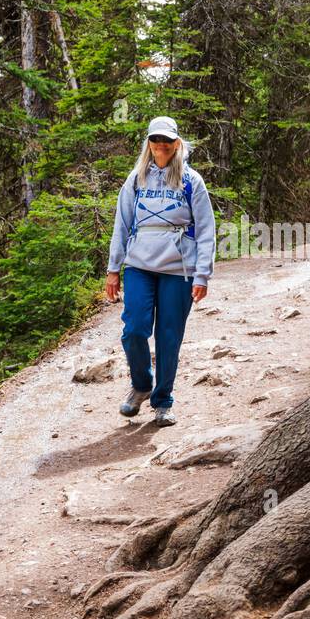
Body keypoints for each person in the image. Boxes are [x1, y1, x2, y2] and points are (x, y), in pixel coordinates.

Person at [105, 116, 216, 426]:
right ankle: (141, 385)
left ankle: (162, 402)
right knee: (135, 330)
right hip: (139, 265)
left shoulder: (192, 181)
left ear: (176, 144)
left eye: (166, 141)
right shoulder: (136, 179)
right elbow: (122, 224)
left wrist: (203, 274)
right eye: (155, 140)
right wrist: (114, 269)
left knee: (169, 336)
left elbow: (206, 229)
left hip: (179, 269)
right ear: (149, 143)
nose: (161, 146)